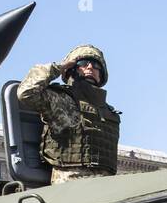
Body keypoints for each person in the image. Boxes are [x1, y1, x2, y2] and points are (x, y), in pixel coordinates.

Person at [16, 45, 120, 184]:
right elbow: (26, 92)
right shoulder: (61, 100)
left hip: (105, 185)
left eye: (96, 65)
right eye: (82, 63)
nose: (90, 67)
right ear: (71, 69)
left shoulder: (109, 112)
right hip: (71, 183)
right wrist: (58, 67)